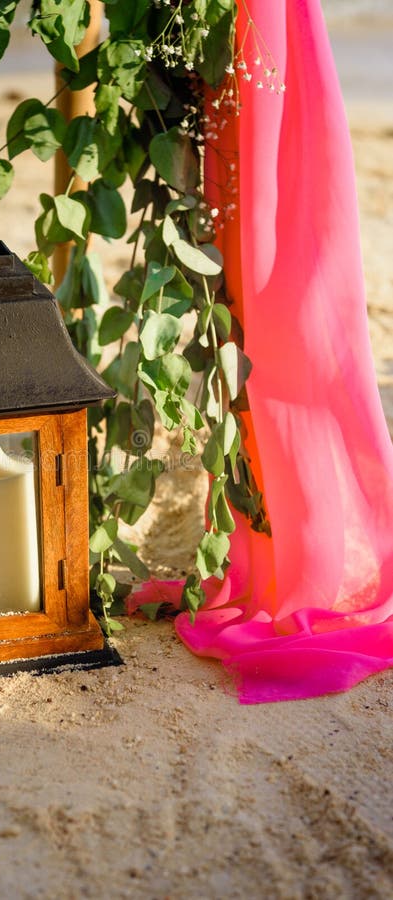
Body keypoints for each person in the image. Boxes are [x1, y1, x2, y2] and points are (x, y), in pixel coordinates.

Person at [137, 0, 393, 703]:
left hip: (260, 26)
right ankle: (279, 528)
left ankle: (305, 544)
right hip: (228, 35)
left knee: (281, 268)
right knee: (241, 265)